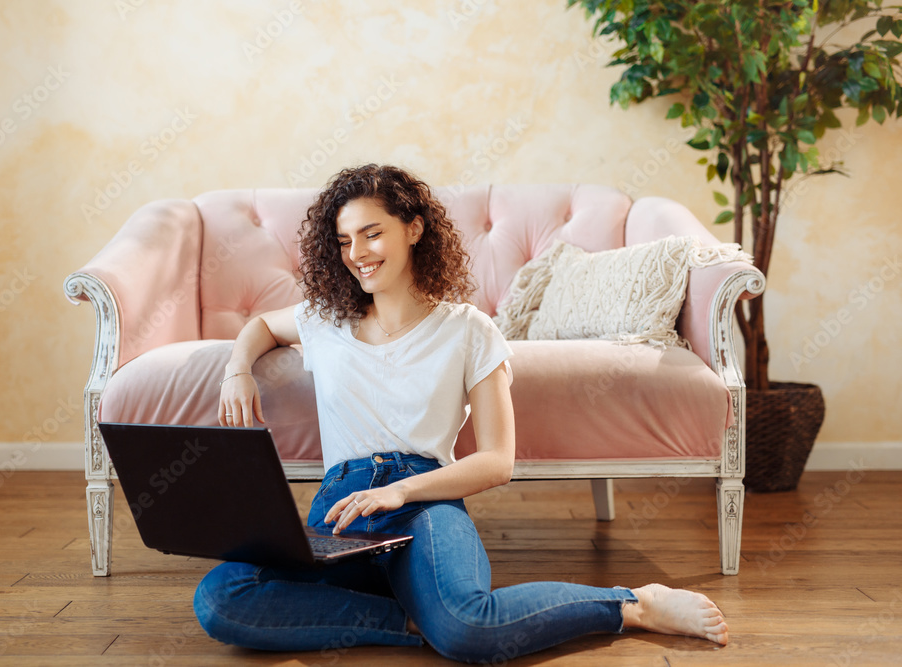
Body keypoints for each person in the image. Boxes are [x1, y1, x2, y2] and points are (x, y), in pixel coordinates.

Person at [194, 164, 729, 662]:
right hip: (343, 510)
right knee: (221, 597)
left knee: (469, 625)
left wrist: (401, 491)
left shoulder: (467, 328)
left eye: (372, 233)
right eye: (344, 240)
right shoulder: (324, 320)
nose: (356, 252)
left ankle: (633, 604)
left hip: (425, 502)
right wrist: (237, 369)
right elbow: (260, 327)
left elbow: (497, 460)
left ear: (414, 229)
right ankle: (415, 621)